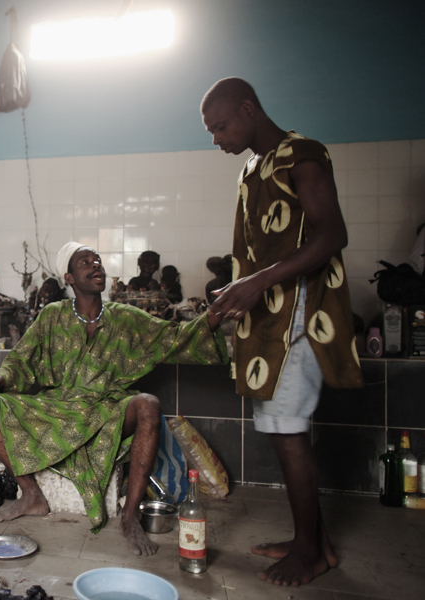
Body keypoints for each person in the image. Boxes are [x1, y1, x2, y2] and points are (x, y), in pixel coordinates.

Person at [201, 77, 364, 586]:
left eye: (221, 125)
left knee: (289, 433)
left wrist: (258, 282)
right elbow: (261, 252)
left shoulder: (302, 156)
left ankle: (311, 553)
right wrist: (236, 294)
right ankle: (311, 541)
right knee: (281, 429)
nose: (216, 138)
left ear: (249, 109)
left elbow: (333, 233)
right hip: (268, 321)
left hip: (298, 314)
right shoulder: (254, 168)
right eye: (211, 130)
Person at [0, 242, 225, 556]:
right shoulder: (52, 316)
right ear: (69, 277)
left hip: (109, 408)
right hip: (62, 407)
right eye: (86, 262)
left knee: (148, 403)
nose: (96, 266)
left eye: (98, 261)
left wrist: (217, 314)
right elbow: (20, 361)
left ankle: (130, 516)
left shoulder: (125, 317)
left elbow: (175, 337)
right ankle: (31, 495)